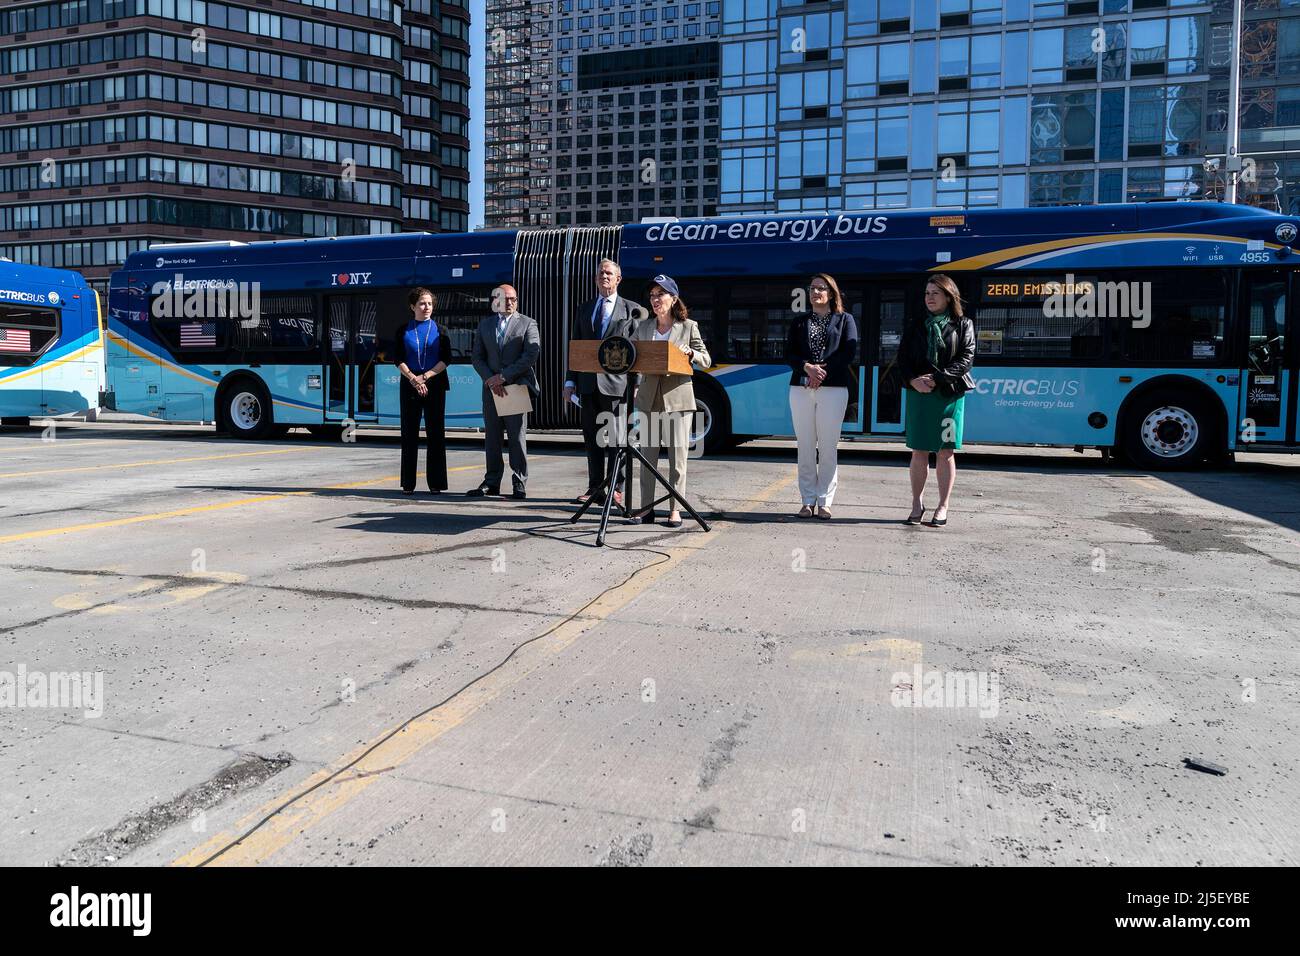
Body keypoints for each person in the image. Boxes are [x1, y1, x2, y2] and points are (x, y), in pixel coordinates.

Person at [629, 275, 710, 528]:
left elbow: (706, 359)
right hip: (649, 398)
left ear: (673, 299)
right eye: (652, 295)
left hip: (678, 400)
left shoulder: (688, 327)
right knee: (647, 459)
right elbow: (634, 359)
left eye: (660, 295)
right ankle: (646, 508)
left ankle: (676, 509)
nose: (655, 300)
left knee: (678, 459)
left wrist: (692, 353)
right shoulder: (643, 328)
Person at [564, 258, 643, 507]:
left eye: (609, 273)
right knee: (593, 439)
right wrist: (570, 381)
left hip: (618, 387)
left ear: (618, 279)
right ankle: (595, 488)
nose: (604, 276)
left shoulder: (631, 310)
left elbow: (636, 350)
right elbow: (576, 347)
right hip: (588, 386)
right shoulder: (585, 309)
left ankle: (616, 489)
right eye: (600, 273)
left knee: (618, 440)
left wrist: (637, 383)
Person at [897, 274, 975, 528]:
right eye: (927, 293)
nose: (929, 297)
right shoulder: (916, 324)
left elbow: (966, 359)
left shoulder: (963, 324)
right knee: (919, 451)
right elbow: (903, 359)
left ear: (948, 296)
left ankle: (943, 506)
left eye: (935, 293)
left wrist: (939, 378)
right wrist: (912, 381)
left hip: (949, 394)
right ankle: (916, 504)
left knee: (945, 451)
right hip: (919, 394)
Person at [786, 274, 858, 520]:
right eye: (812, 288)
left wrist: (821, 372)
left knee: (828, 448)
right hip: (801, 389)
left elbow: (848, 352)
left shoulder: (845, 320)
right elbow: (789, 354)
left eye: (821, 288)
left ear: (831, 293)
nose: (816, 292)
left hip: (834, 389)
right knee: (805, 447)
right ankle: (807, 501)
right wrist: (807, 368)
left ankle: (825, 501)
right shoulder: (798, 322)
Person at [469, 284, 540, 500]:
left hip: (515, 388)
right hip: (492, 390)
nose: (510, 302)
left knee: (517, 439)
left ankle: (519, 482)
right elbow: (477, 357)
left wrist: (503, 377)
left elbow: (530, 355)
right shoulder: (485, 325)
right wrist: (491, 380)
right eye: (505, 298)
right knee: (492, 438)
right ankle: (491, 482)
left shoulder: (528, 323)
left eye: (513, 299)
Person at [394, 287, 450, 496]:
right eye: (422, 304)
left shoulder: (441, 330)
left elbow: (447, 359)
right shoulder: (403, 330)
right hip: (410, 385)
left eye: (429, 304)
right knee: (409, 434)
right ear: (412, 307)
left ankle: (436, 483)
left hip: (434, 384)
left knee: (436, 434)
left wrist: (425, 377)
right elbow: (397, 359)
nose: (427, 307)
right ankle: (408, 483)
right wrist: (414, 379)